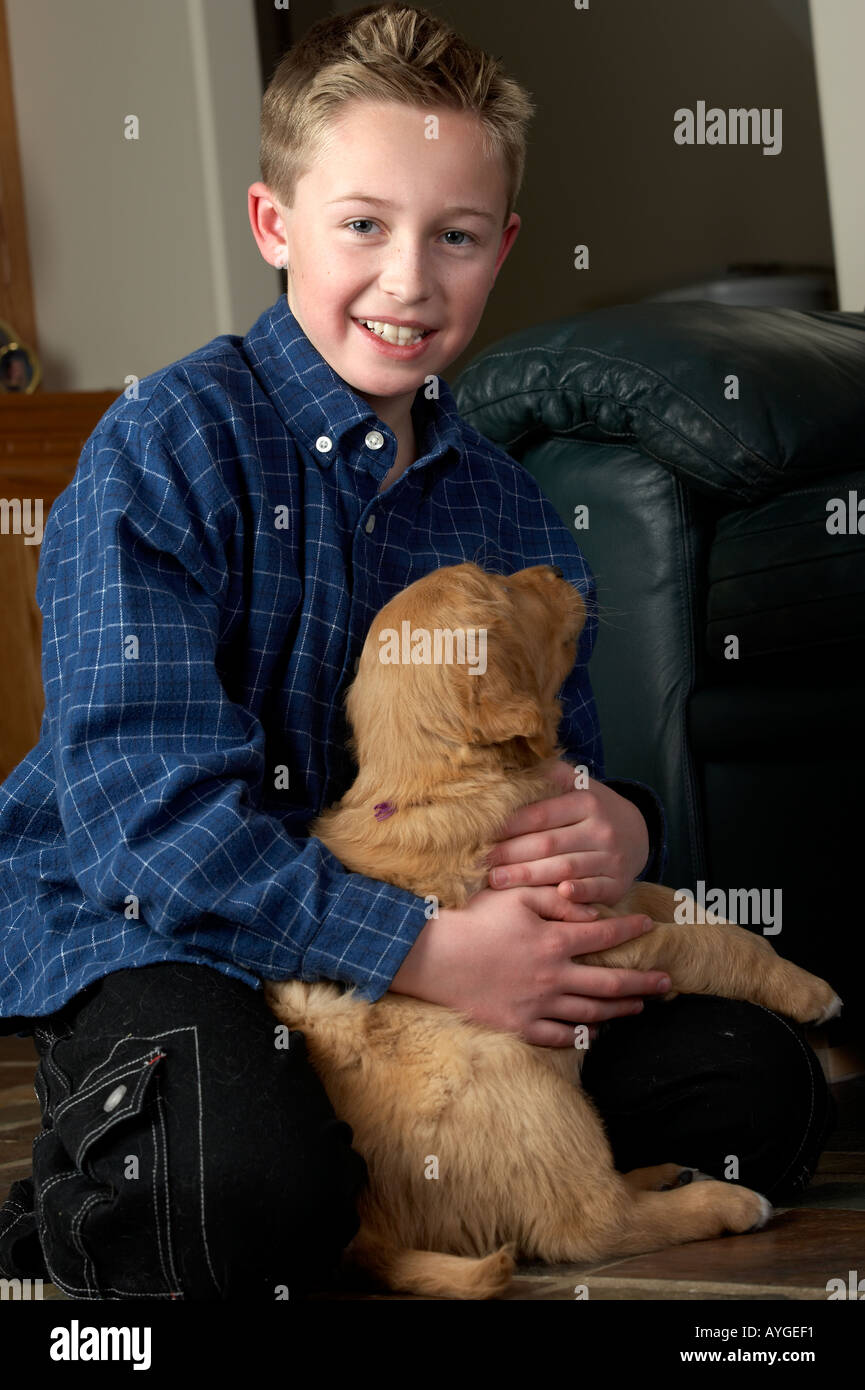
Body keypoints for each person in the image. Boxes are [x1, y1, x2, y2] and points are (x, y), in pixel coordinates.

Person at [0, 3, 834, 1301]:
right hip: (170, 935)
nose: (407, 281)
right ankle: (106, 1179)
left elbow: (554, 759)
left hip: (432, 994)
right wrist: (429, 951)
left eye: (452, 238)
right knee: (240, 1192)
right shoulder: (161, 447)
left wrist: (612, 824)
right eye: (363, 226)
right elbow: (144, 829)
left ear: (500, 249)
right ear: (275, 225)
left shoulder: (503, 504)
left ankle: (337, 1171)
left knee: (754, 1093)